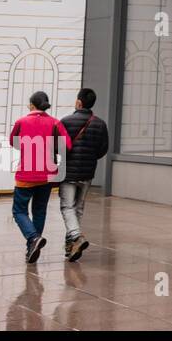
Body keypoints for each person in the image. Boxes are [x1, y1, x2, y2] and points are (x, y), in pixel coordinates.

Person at [9, 91, 73, 264]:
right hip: (47, 175)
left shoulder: (21, 122)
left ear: (31, 105)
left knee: (19, 210)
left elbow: (13, 142)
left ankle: (33, 238)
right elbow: (67, 145)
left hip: (26, 174)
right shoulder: (55, 123)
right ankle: (32, 246)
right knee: (39, 210)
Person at [58, 88, 110, 262]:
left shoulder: (65, 121)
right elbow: (103, 149)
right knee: (78, 208)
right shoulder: (100, 124)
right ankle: (71, 247)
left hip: (68, 172)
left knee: (67, 207)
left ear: (79, 102)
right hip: (88, 172)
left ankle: (76, 237)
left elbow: (58, 146)